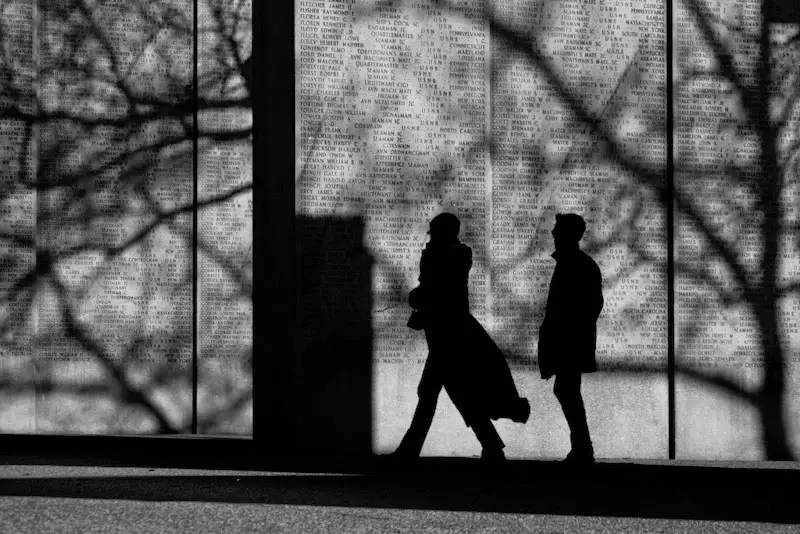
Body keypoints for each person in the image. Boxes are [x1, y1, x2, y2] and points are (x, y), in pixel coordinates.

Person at [392, 213, 530, 461]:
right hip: (444, 334)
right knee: (457, 393)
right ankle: (491, 446)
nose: (431, 236)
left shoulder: (451, 255)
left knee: (433, 392)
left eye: (435, 231)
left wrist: (418, 296)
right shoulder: (449, 254)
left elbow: (438, 291)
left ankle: (410, 450)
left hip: (449, 336)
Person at [538, 213, 604, 465]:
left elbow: (589, 306)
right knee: (567, 391)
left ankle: (583, 449)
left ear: (568, 234)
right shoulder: (573, 262)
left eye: (557, 230)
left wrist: (565, 339)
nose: (553, 234)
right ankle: (581, 447)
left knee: (566, 391)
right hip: (568, 341)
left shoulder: (577, 264)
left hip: (569, 342)